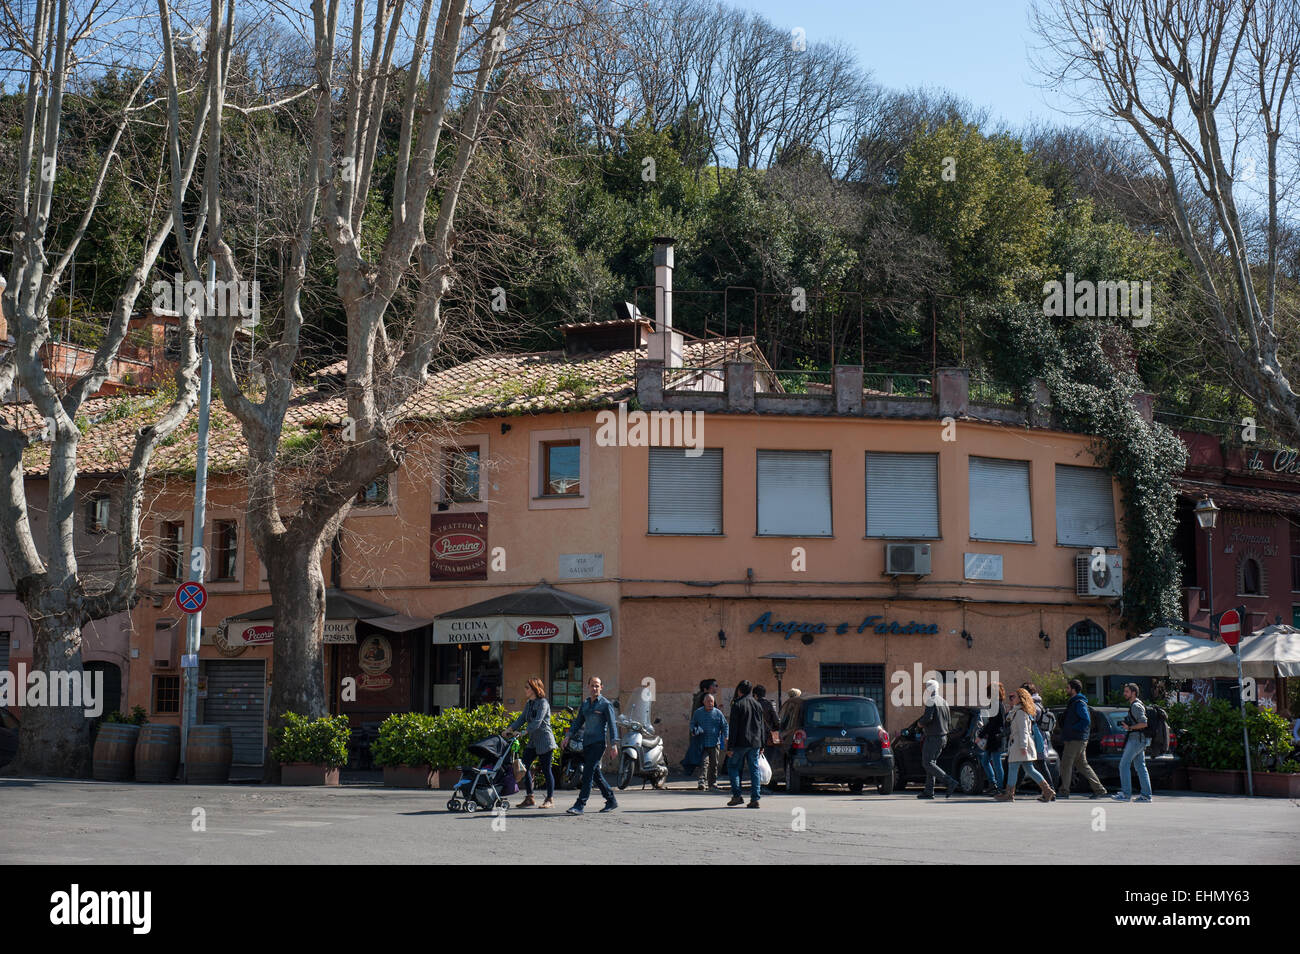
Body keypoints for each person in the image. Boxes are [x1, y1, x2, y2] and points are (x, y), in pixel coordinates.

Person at [565, 675, 620, 815]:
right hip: (587, 743)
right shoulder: (585, 704)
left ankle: (580, 805)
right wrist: (567, 736)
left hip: (598, 744)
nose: (594, 688)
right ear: (588, 687)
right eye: (592, 685)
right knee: (595, 774)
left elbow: (613, 725)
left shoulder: (606, 704)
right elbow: (577, 723)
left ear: (601, 687)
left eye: (597, 685)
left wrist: (614, 744)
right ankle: (611, 799)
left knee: (588, 773)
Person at [996, 688, 1055, 802]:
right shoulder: (1019, 711)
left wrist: (1023, 746)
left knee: (1014, 768)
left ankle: (1009, 794)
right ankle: (1048, 791)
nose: (1012, 699)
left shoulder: (1020, 713)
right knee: (1030, 769)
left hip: (1020, 745)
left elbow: (1024, 731)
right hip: (1021, 744)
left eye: (1015, 697)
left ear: (1020, 699)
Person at [507, 678, 557, 809]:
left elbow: (537, 722)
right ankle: (530, 797)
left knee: (546, 770)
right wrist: (510, 729)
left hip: (545, 741)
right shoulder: (529, 703)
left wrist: (523, 732)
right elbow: (522, 718)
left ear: (535, 689)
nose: (525, 689)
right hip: (533, 742)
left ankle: (550, 799)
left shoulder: (543, 703)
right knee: (524, 767)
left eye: (527, 687)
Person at [1058, 679, 1107, 800]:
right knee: (1082, 765)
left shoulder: (1079, 703)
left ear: (1073, 689)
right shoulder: (1075, 702)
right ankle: (1099, 789)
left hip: (1076, 739)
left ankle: (1064, 791)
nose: (1066, 690)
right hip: (1078, 739)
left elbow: (1086, 720)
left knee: (1066, 764)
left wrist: (1072, 729)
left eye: (1068, 688)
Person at [917, 678, 961, 799]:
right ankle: (929, 791)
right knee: (932, 763)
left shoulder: (931, 701)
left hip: (933, 737)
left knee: (927, 763)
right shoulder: (944, 702)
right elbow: (949, 721)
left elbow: (927, 719)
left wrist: (920, 724)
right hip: (943, 737)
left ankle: (949, 781)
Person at [726, 680, 766, 808]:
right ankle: (755, 798)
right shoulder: (757, 704)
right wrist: (762, 744)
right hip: (755, 742)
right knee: (754, 769)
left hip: (740, 743)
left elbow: (733, 728)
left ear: (739, 690)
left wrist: (730, 746)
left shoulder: (737, 705)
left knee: (733, 767)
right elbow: (762, 726)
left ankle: (737, 795)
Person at [1112, 682, 1153, 803]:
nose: (1124, 694)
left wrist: (1130, 728)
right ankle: (1146, 795)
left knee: (1124, 764)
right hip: (1139, 740)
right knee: (1140, 766)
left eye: (1127, 692)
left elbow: (1144, 723)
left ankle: (1126, 794)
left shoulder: (1136, 706)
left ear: (1133, 693)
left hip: (1136, 739)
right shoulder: (1137, 704)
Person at [690, 693, 728, 791]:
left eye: (712, 701)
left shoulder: (718, 713)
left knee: (714, 764)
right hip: (702, 743)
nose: (710, 703)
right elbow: (692, 724)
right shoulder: (698, 712)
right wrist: (694, 730)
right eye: (708, 701)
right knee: (704, 762)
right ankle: (702, 782)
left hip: (715, 743)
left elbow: (725, 725)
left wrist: (726, 736)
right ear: (704, 702)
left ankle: (712, 783)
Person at [1020, 682, 1055, 787]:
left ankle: (1050, 789)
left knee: (1039, 765)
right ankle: (1012, 789)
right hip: (1038, 738)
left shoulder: (1033, 705)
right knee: (1026, 765)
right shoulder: (1037, 703)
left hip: (1035, 739)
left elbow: (1030, 722)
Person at [976, 682, 1007, 795]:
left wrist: (980, 735)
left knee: (996, 762)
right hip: (993, 738)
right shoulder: (997, 704)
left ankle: (999, 787)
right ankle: (993, 784)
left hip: (996, 738)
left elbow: (992, 724)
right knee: (986, 761)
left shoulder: (996, 704)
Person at [753, 684, 779, 795]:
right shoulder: (769, 704)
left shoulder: (753, 705)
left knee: (756, 762)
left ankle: (758, 785)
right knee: (768, 761)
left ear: (755, 695)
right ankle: (768, 784)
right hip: (768, 737)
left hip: (755, 737)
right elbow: (777, 721)